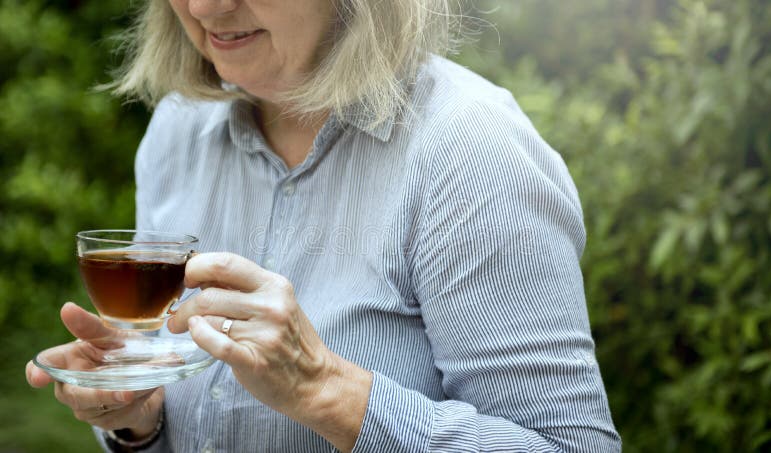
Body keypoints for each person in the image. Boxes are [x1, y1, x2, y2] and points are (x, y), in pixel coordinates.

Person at [26, 0, 621, 451]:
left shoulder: (469, 150)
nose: (204, 7)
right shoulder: (179, 132)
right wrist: (140, 419)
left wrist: (327, 391)